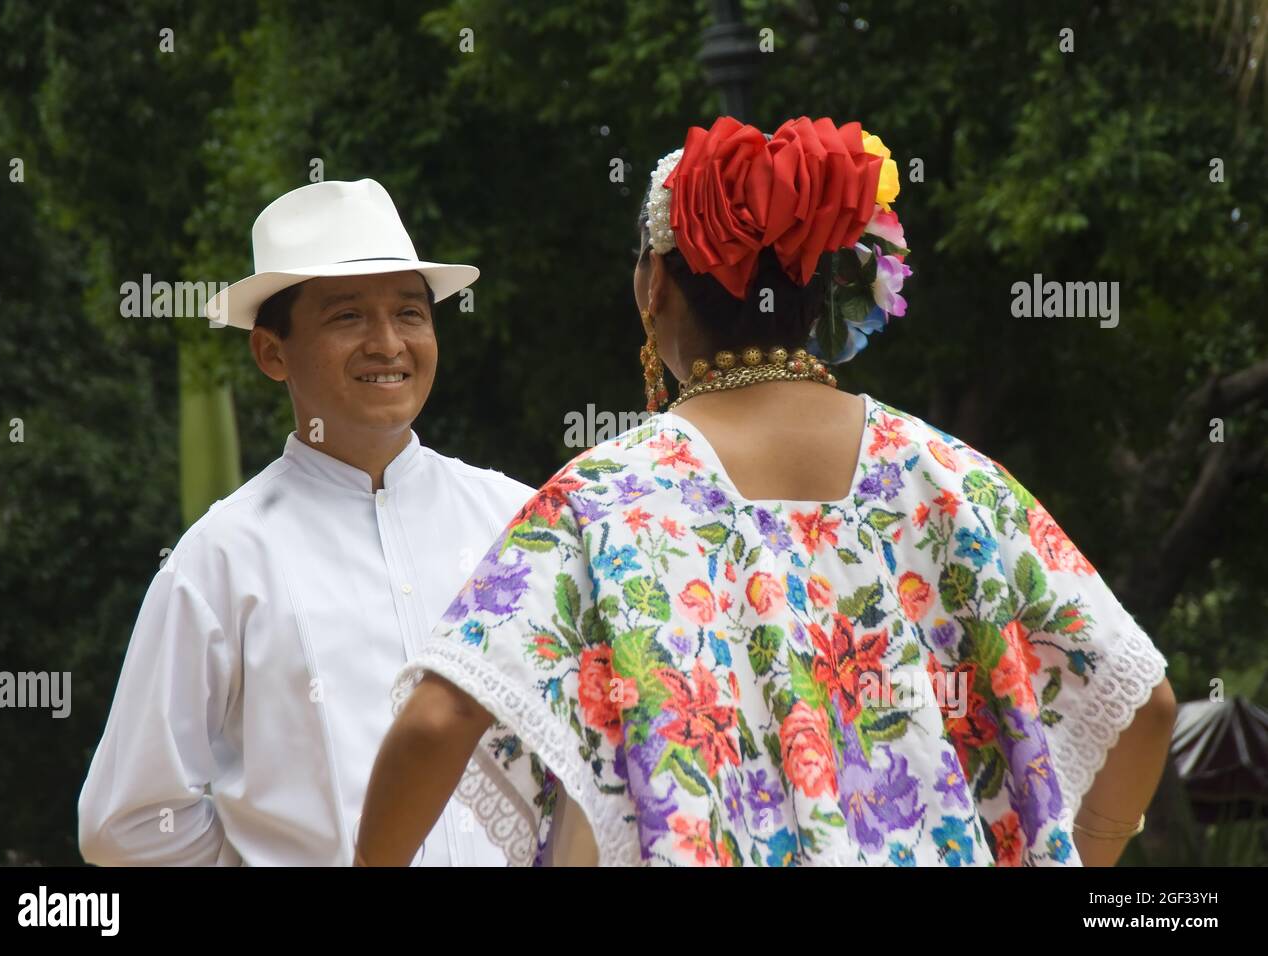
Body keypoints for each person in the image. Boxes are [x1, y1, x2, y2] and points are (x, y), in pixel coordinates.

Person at [355, 117, 1176, 867]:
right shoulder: (954, 482)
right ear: (824, 287)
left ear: (653, 286)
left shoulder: (606, 500)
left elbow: (437, 721)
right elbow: (1147, 703)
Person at [78, 179, 534, 865]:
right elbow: (128, 822)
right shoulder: (222, 558)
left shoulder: (518, 520)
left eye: (410, 313)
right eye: (347, 317)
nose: (388, 344)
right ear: (271, 352)